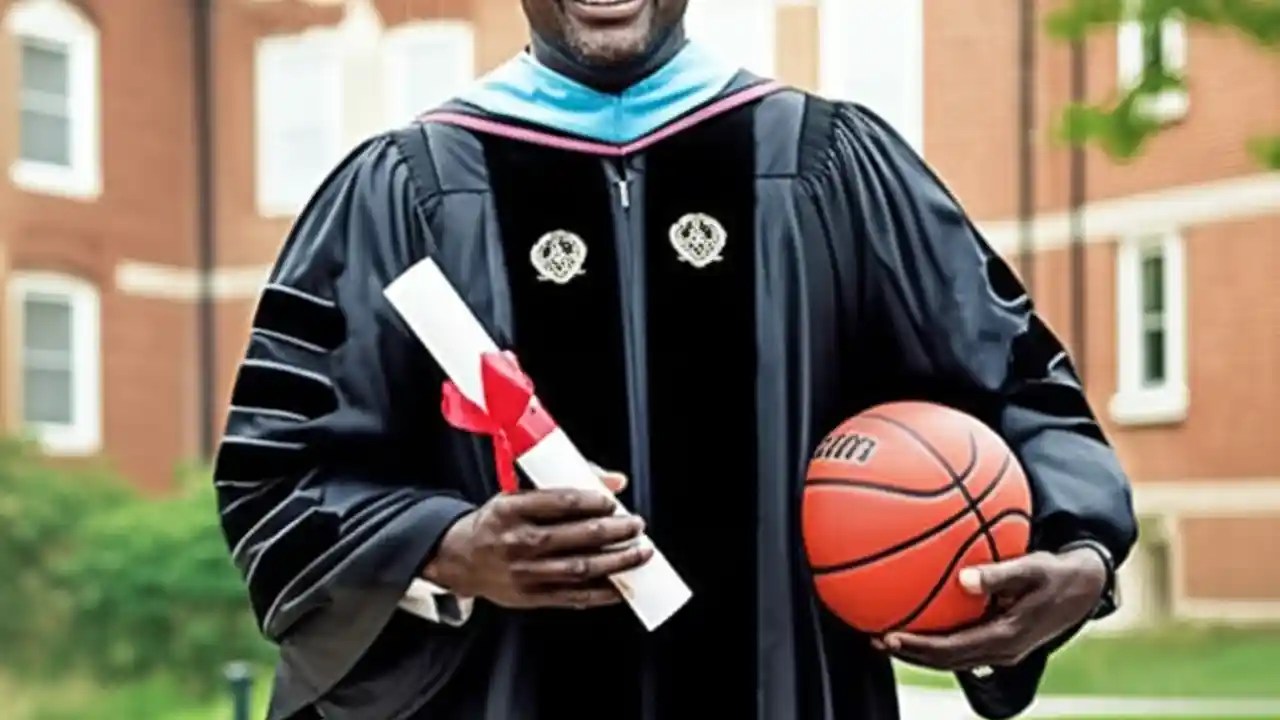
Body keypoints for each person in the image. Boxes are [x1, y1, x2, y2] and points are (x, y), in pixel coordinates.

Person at [214, 1, 1137, 718]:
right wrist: (449, 551)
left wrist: (1082, 555)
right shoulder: (405, 191)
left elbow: (1018, 393)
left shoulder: (831, 169)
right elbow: (276, 477)